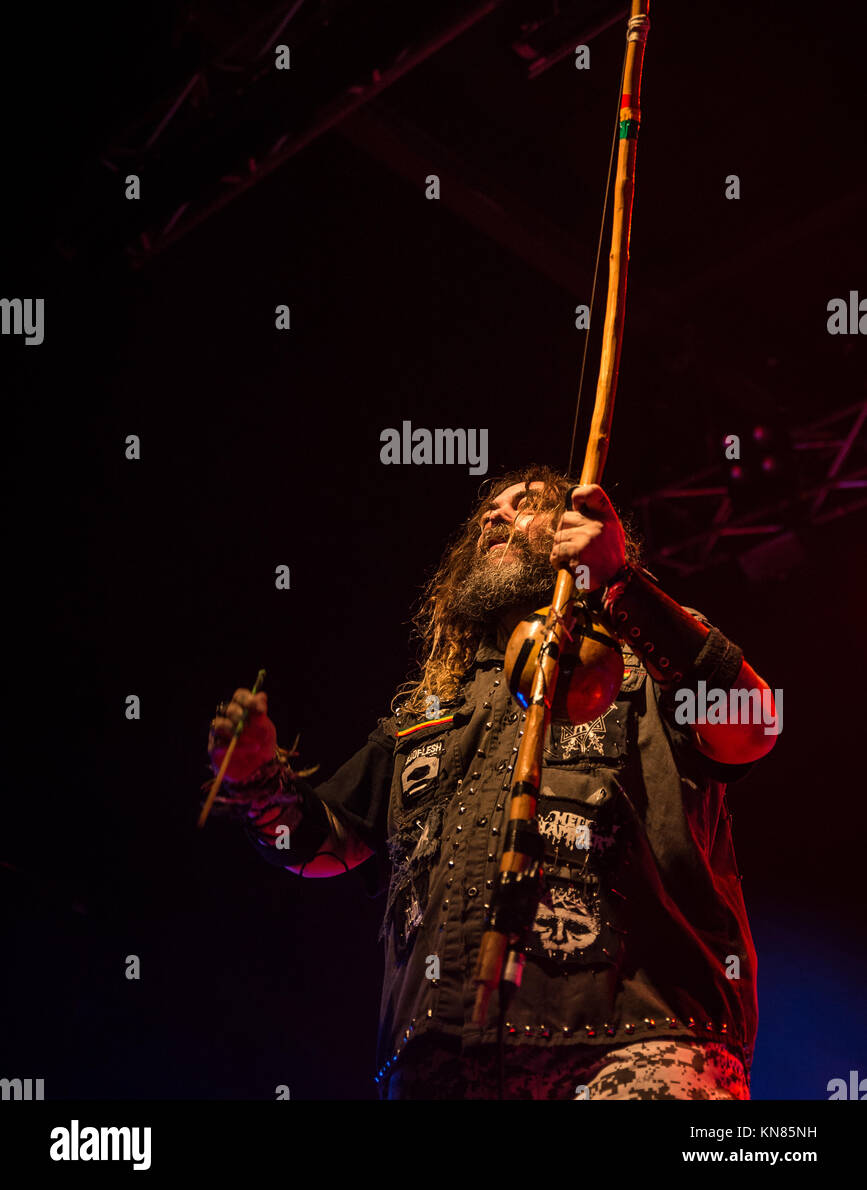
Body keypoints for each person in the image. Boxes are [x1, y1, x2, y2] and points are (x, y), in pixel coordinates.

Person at [205, 466, 778, 1100]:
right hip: (447, 1063)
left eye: (523, 505)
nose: (493, 516)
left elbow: (752, 726)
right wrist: (257, 782)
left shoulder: (644, 653)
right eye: (488, 509)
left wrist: (620, 583)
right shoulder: (428, 710)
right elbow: (327, 847)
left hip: (640, 1047)